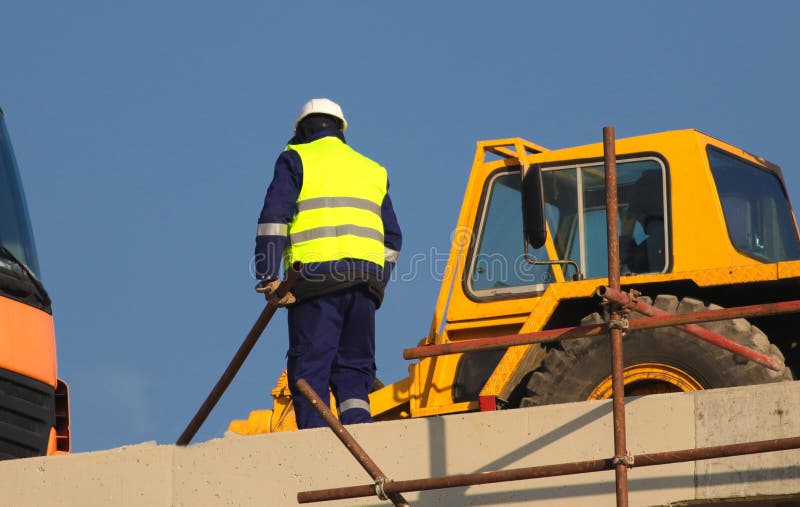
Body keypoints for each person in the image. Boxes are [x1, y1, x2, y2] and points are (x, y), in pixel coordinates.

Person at [253, 98, 402, 429]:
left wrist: (268, 277)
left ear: (303, 130)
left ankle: (317, 446)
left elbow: (274, 220)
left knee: (310, 369)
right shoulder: (372, 169)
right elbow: (392, 240)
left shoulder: (296, 159)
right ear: (340, 129)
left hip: (315, 283)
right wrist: (377, 279)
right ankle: (359, 435)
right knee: (354, 371)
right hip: (364, 285)